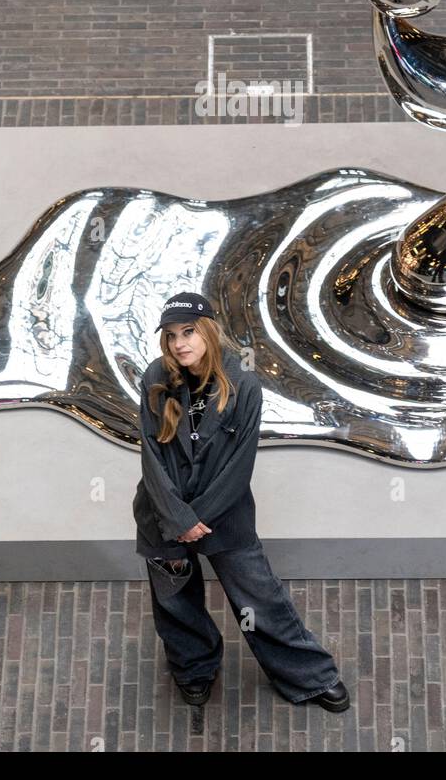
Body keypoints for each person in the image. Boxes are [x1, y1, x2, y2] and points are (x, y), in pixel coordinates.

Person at [132, 290, 350, 711]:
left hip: (222, 517)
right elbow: (151, 456)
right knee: (174, 601)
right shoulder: (155, 378)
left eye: (189, 331)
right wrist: (178, 517)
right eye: (172, 335)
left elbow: (239, 464)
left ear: (209, 330)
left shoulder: (244, 382)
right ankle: (193, 668)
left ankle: (309, 676)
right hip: (162, 516)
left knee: (260, 599)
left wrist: (199, 518)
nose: (180, 343)